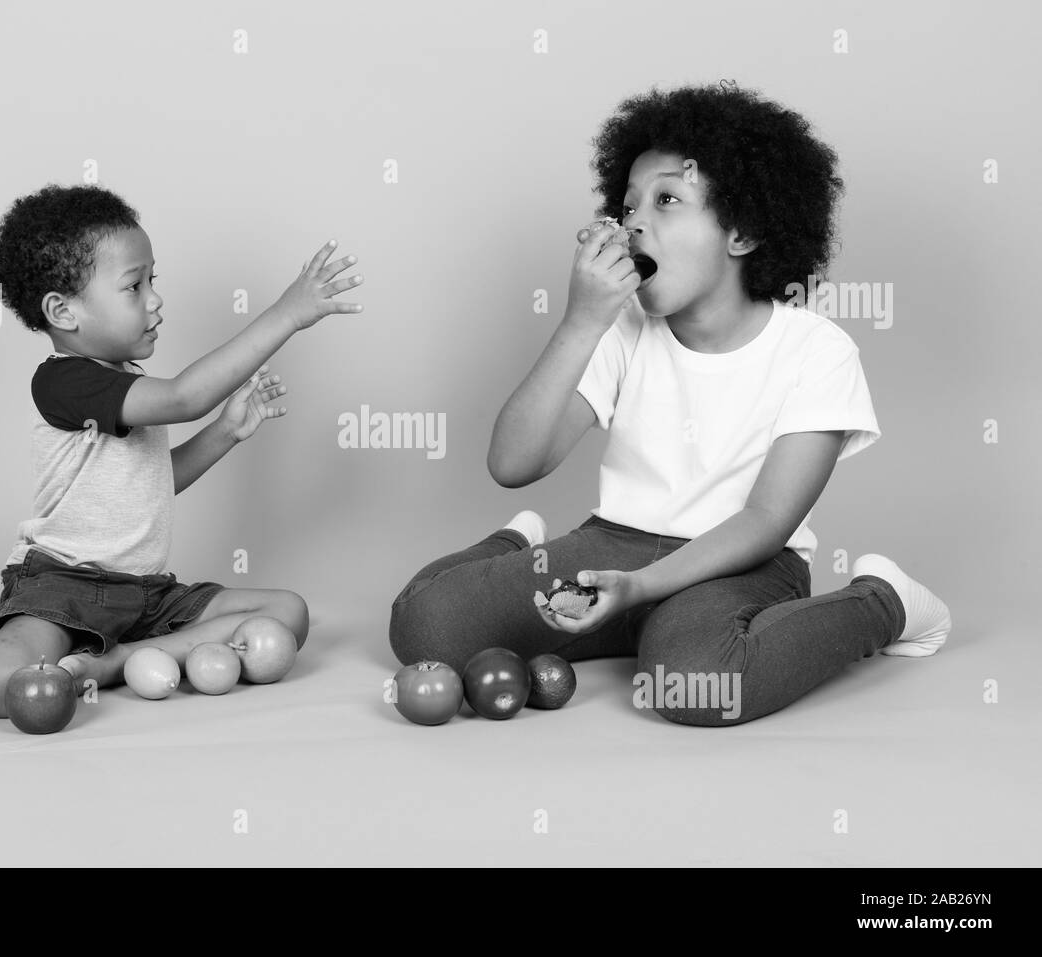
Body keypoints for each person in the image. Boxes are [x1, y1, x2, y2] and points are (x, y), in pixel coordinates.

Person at [388, 83, 951, 726]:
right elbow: (513, 463)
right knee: (425, 630)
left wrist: (641, 588)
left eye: (667, 200)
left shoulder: (817, 352)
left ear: (742, 230)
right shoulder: (619, 328)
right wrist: (580, 322)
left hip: (743, 564)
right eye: (627, 206)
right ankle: (525, 546)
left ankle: (886, 601)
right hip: (614, 545)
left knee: (696, 684)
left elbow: (766, 520)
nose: (633, 223)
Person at [0, 184, 363, 718]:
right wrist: (287, 314)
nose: (156, 298)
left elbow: (151, 488)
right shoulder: (64, 384)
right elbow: (184, 396)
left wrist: (226, 431)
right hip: (64, 586)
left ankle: (118, 659)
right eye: (134, 286)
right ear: (63, 311)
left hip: (145, 595)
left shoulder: (127, 382)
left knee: (287, 612)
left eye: (154, 279)